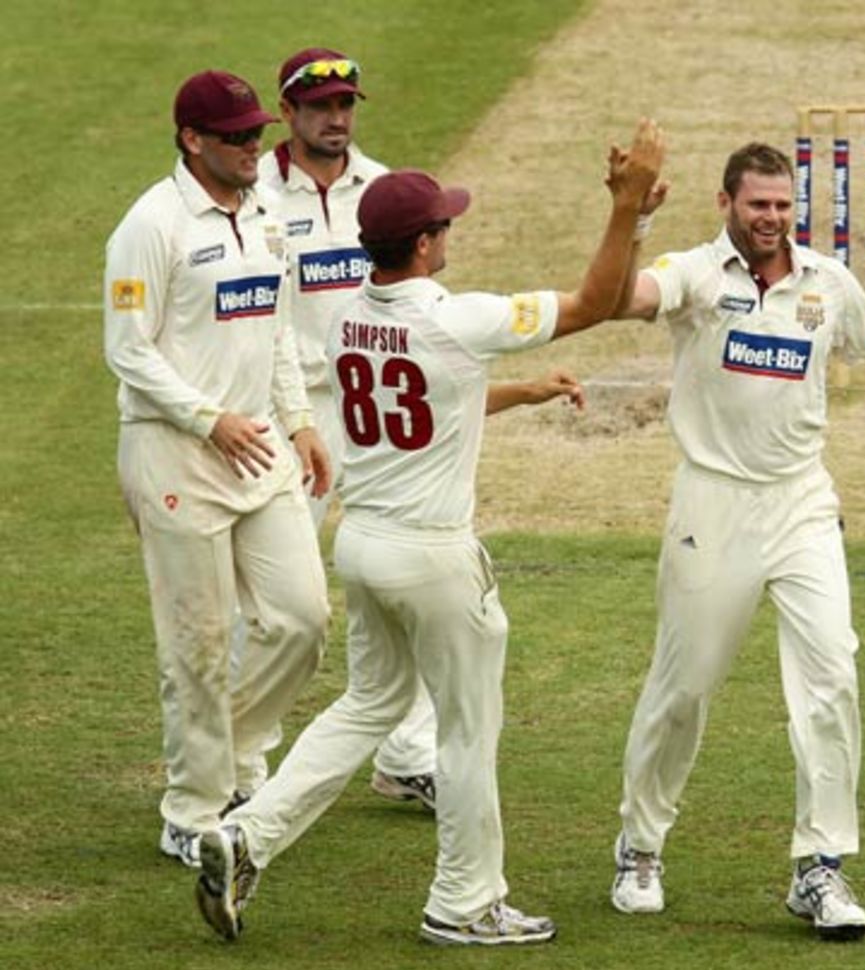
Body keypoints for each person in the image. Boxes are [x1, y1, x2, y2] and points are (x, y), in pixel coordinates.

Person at [193, 119, 666, 945]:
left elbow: (426, 396)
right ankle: (464, 902)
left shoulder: (346, 318)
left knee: (367, 704)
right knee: (467, 732)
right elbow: (595, 304)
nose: (451, 233)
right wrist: (628, 208)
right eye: (444, 225)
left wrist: (519, 392)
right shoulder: (459, 318)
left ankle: (247, 834)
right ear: (421, 245)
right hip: (435, 555)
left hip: (364, 545)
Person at [607, 142, 865, 941]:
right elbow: (623, 297)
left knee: (832, 679)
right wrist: (634, 218)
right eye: (756, 204)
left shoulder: (826, 282)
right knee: (684, 688)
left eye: (781, 205)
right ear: (726, 203)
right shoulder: (696, 274)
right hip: (712, 501)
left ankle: (820, 867)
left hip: (801, 503)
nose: (771, 218)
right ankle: (640, 846)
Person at [250, 47, 583, 811]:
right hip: (291, 413)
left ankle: (407, 756)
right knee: (282, 611)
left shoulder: (382, 190)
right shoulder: (258, 198)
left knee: (419, 568)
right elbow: (262, 320)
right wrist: (291, 417)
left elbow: (427, 353)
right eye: (320, 106)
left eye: (346, 104)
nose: (337, 118)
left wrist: (518, 389)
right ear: (289, 111)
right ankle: (244, 765)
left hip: (367, 405)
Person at [103, 70, 331, 868]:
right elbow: (127, 351)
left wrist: (299, 420)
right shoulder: (149, 225)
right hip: (174, 452)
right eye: (235, 137)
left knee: (302, 619)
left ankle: (232, 755)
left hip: (258, 445)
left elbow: (276, 329)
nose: (252, 146)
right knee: (196, 644)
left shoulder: (264, 214)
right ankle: (193, 808)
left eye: (256, 132)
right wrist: (208, 418)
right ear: (191, 139)